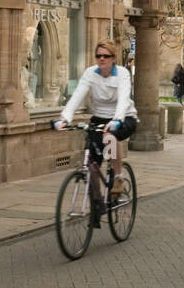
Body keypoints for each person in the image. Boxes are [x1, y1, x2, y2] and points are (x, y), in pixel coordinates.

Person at [54, 39, 139, 190]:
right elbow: (77, 96)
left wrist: (117, 120)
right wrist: (65, 118)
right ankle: (96, 200)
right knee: (91, 159)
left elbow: (124, 99)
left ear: (113, 58)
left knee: (109, 138)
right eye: (98, 55)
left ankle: (118, 177)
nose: (102, 59)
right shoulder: (90, 73)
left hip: (124, 117)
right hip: (99, 117)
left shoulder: (122, 73)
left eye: (106, 56)